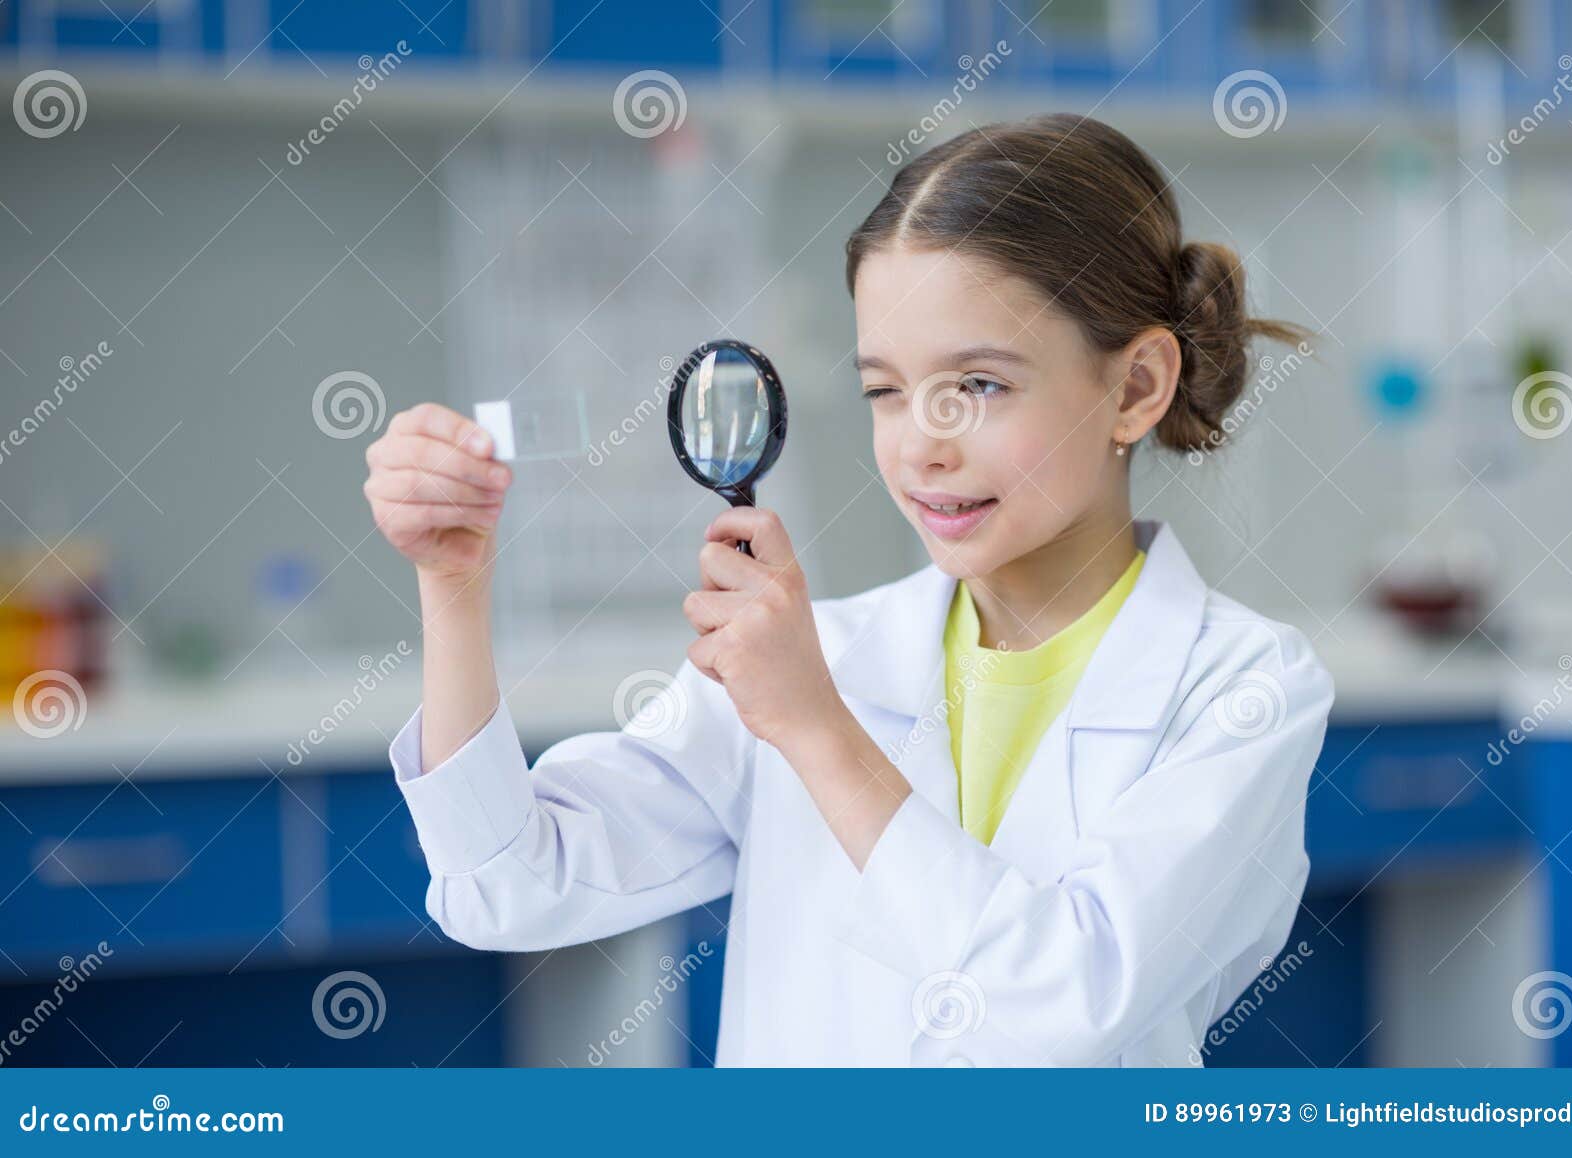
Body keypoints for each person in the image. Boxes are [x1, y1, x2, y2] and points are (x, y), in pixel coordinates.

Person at [360, 112, 1336, 1066]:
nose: (920, 443)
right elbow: (508, 885)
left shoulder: (1244, 690)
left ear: (1134, 387)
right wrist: (453, 589)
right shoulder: (814, 659)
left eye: (979, 386)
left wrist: (818, 729)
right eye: (883, 390)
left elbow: (1064, 1007)